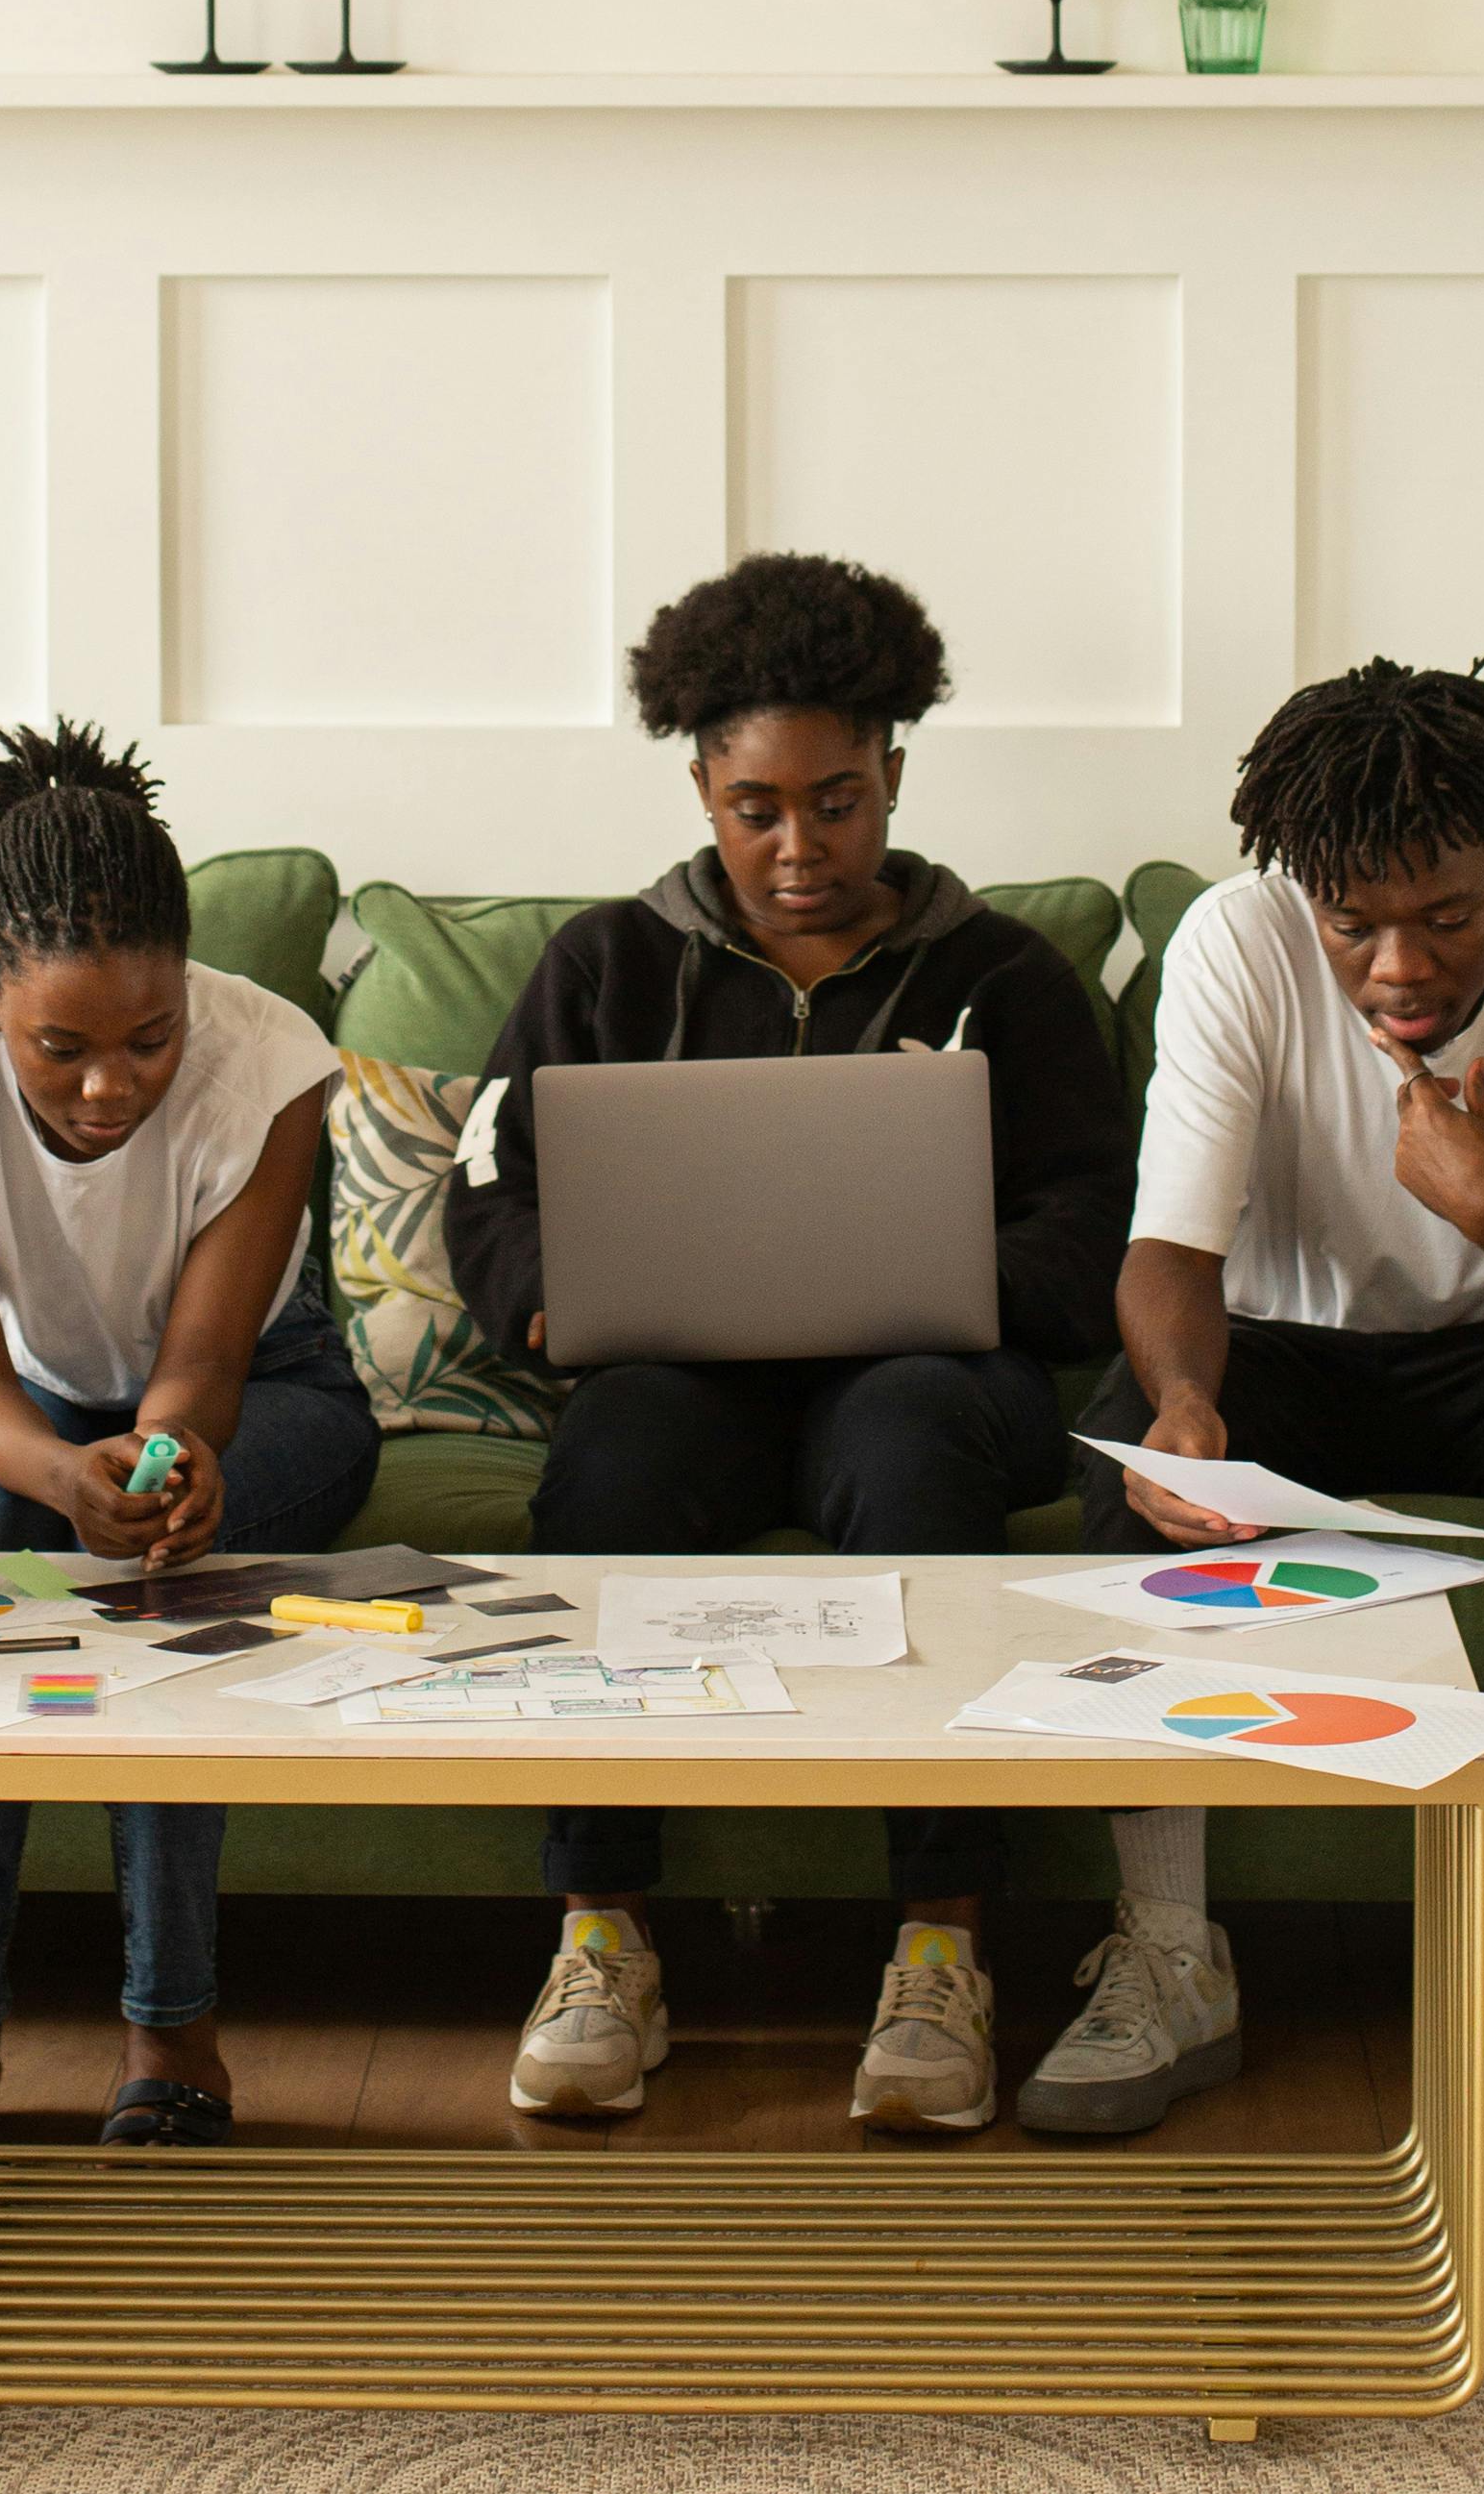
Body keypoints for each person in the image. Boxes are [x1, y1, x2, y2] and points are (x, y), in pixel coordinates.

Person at [447, 551, 1134, 2136]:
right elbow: (489, 1174)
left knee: (905, 1441)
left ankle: (941, 1948)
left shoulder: (1000, 978)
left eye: (836, 800)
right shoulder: (605, 966)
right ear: (699, 781)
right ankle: (601, 1937)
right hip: (679, 1377)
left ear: (893, 772)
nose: (798, 846)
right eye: (756, 805)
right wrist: (541, 1294)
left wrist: (951, 1284)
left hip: (937, 1383)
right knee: (611, 1458)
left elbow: (1094, 1217)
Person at [1042, 656, 1484, 2145]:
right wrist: (1182, 1406)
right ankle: (1168, 1950)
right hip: (1287, 1345)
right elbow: (1171, 1250)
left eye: (1447, 917)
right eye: (1355, 922)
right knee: (1118, 1452)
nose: (1399, 966)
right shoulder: (1237, 940)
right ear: (1306, 891)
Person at [0, 720, 376, 2150]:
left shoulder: (271, 1063)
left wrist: (158, 1473)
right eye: (58, 1049)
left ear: (192, 990)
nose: (107, 1086)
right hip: (22, 1411)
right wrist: (57, 1475)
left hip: (267, 1396)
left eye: (150, 1039)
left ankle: (173, 2028)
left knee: (168, 1580)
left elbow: (199, 1372)